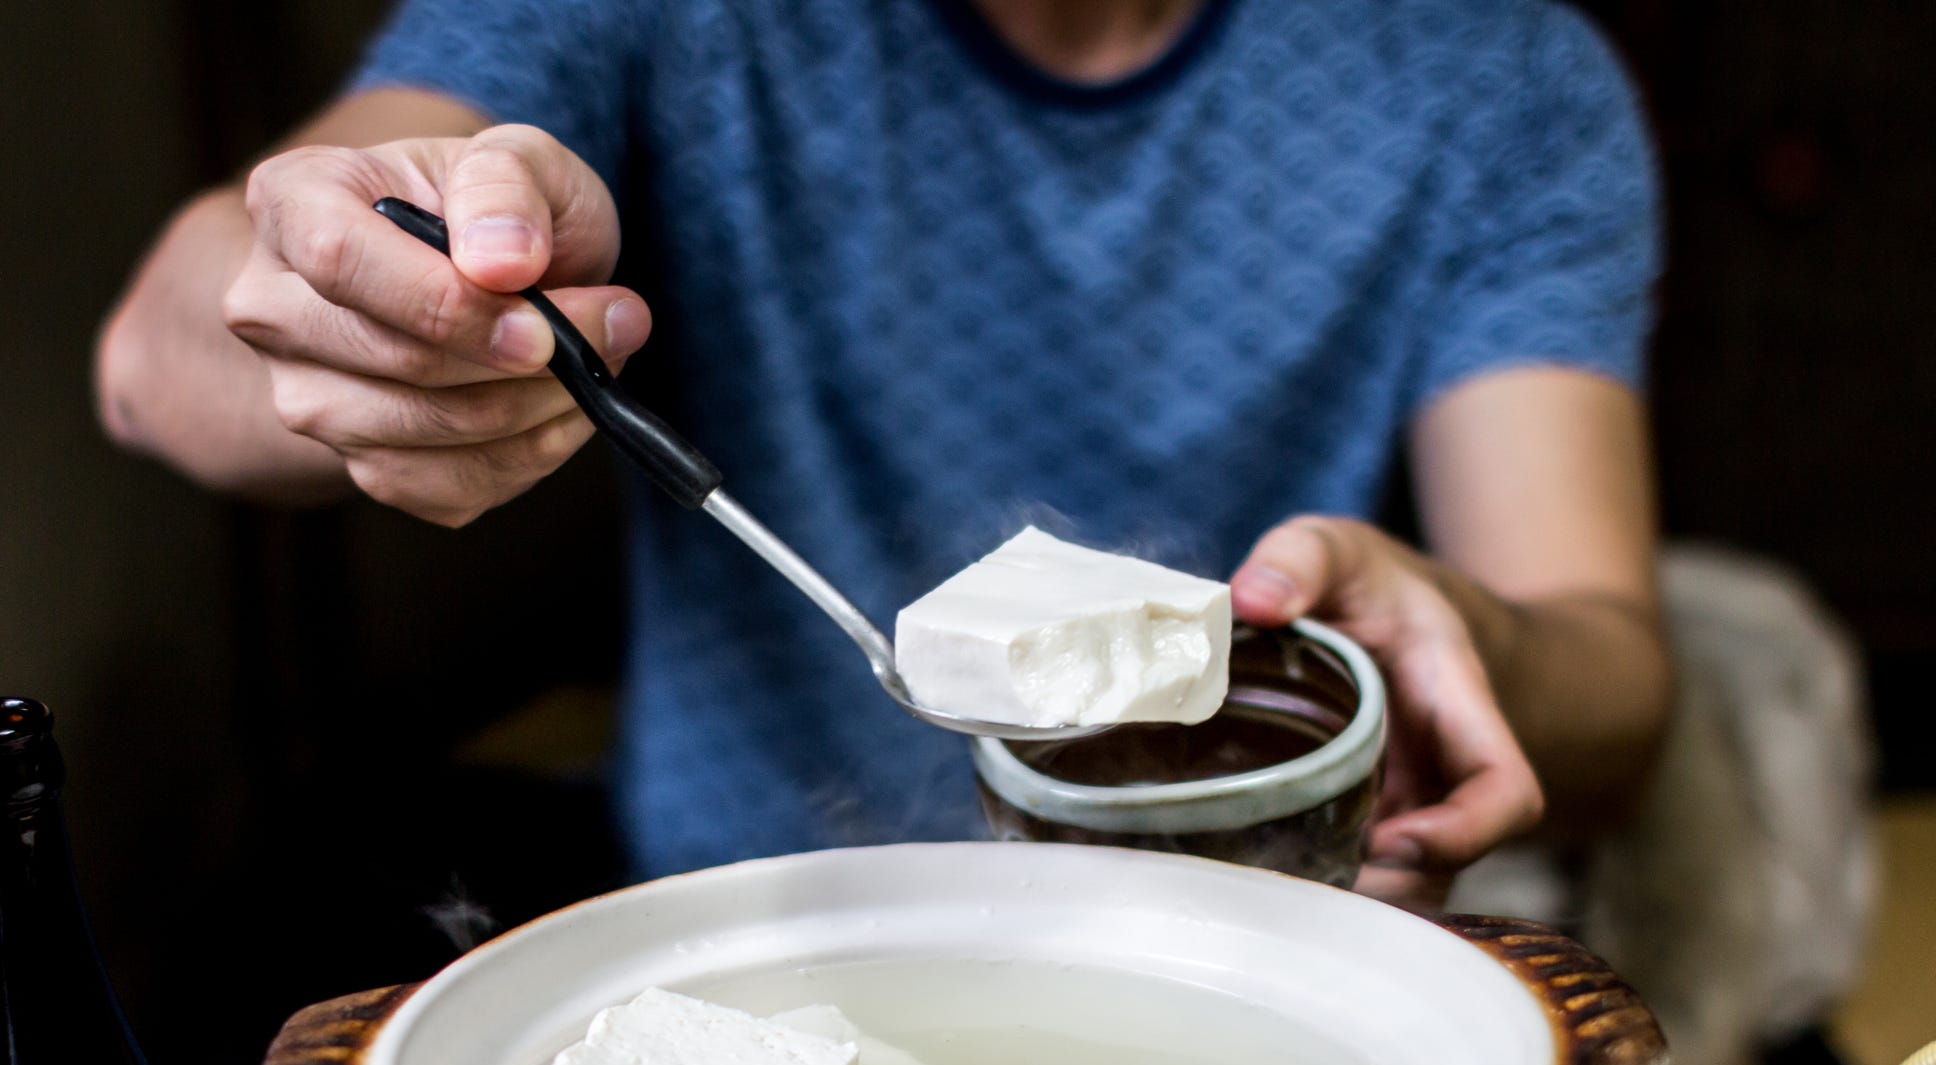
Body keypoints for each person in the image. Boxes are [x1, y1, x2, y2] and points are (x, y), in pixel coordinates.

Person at [97, 0, 1672, 907]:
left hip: (1249, 933)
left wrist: (1471, 642)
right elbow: (154, 363)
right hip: (756, 937)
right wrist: (361, 295)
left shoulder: (1500, 74)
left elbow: (1615, 696)